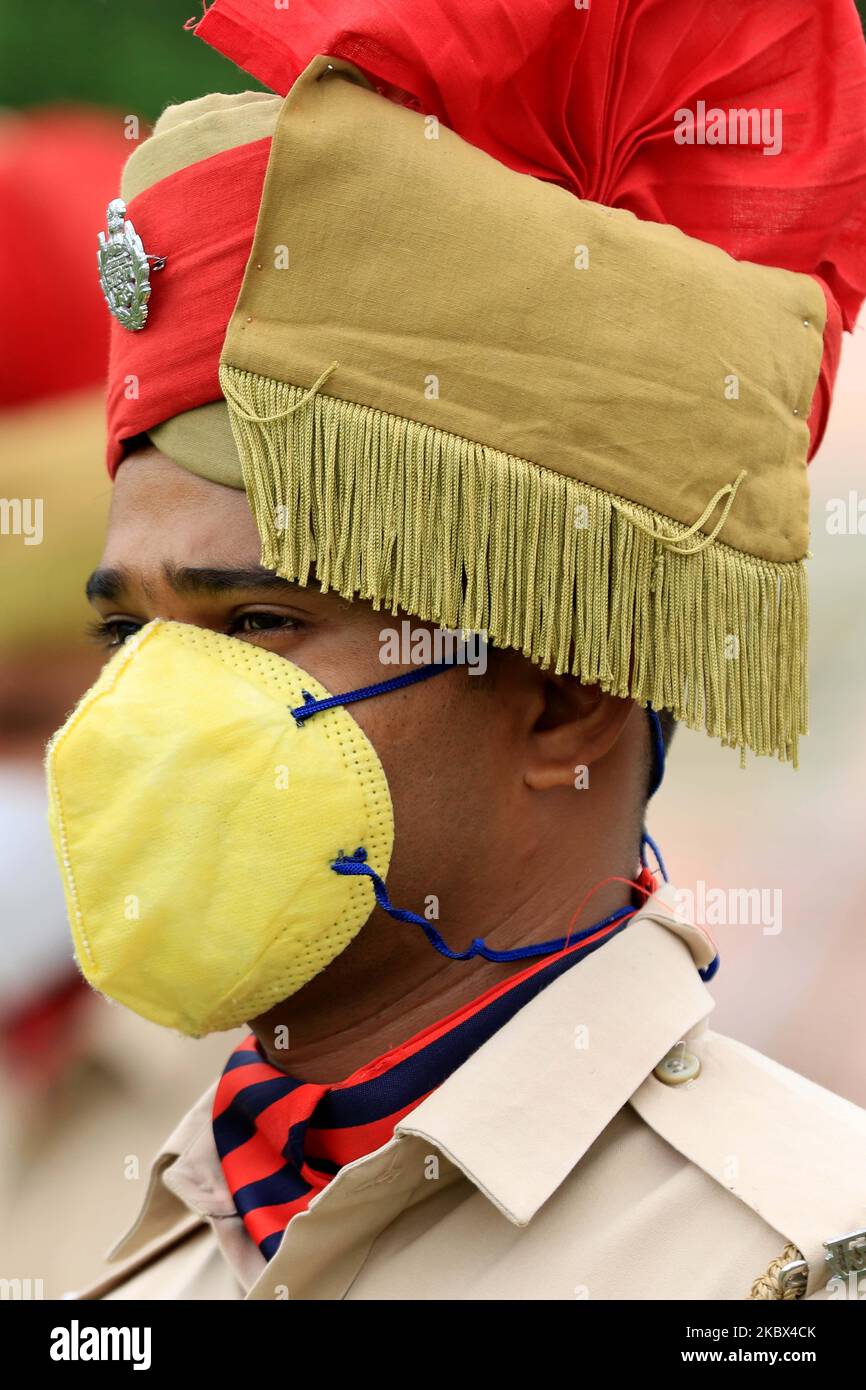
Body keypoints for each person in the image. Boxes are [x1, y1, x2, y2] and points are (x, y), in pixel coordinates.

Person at [47, 0, 866, 1300]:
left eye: (257, 622)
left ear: (563, 695)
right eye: (127, 629)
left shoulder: (792, 1265)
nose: (139, 708)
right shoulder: (150, 1268)